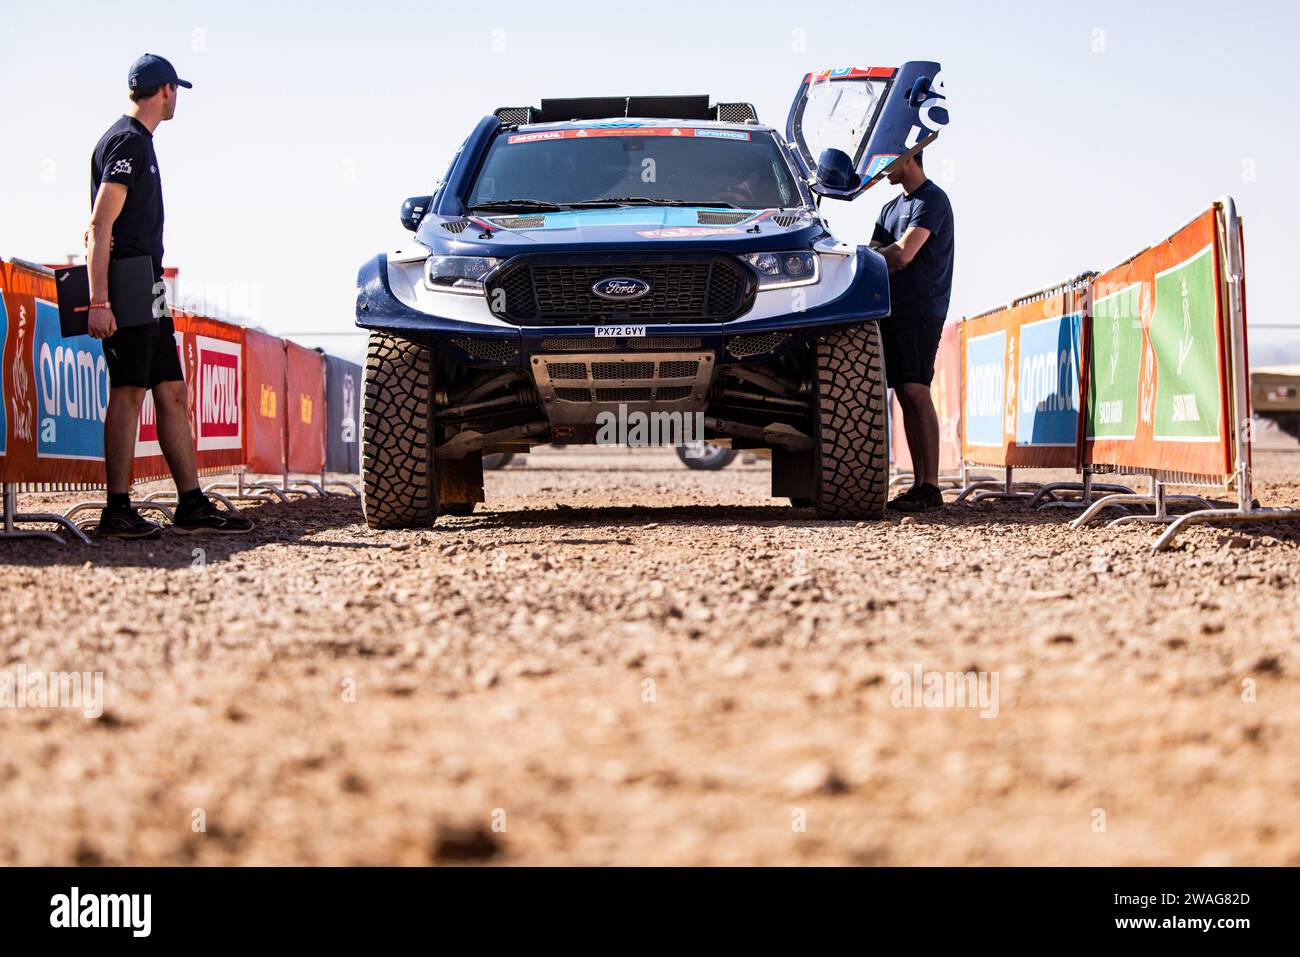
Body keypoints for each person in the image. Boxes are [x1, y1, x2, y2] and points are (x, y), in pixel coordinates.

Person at [87, 54, 252, 538]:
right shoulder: (127, 141)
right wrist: (100, 301)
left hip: (148, 285)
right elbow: (100, 224)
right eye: (175, 90)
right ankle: (117, 510)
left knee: (172, 393)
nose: (176, 97)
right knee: (128, 391)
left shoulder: (139, 142)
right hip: (128, 284)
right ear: (165, 91)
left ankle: (192, 505)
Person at [870, 149, 955, 513]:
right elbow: (876, 254)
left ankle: (931, 486)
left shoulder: (932, 199)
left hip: (922, 309)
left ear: (908, 157)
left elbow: (903, 254)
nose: (881, 169)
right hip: (892, 309)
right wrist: (876, 257)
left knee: (916, 390)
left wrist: (876, 257)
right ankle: (919, 485)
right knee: (904, 393)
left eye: (887, 160)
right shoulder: (889, 209)